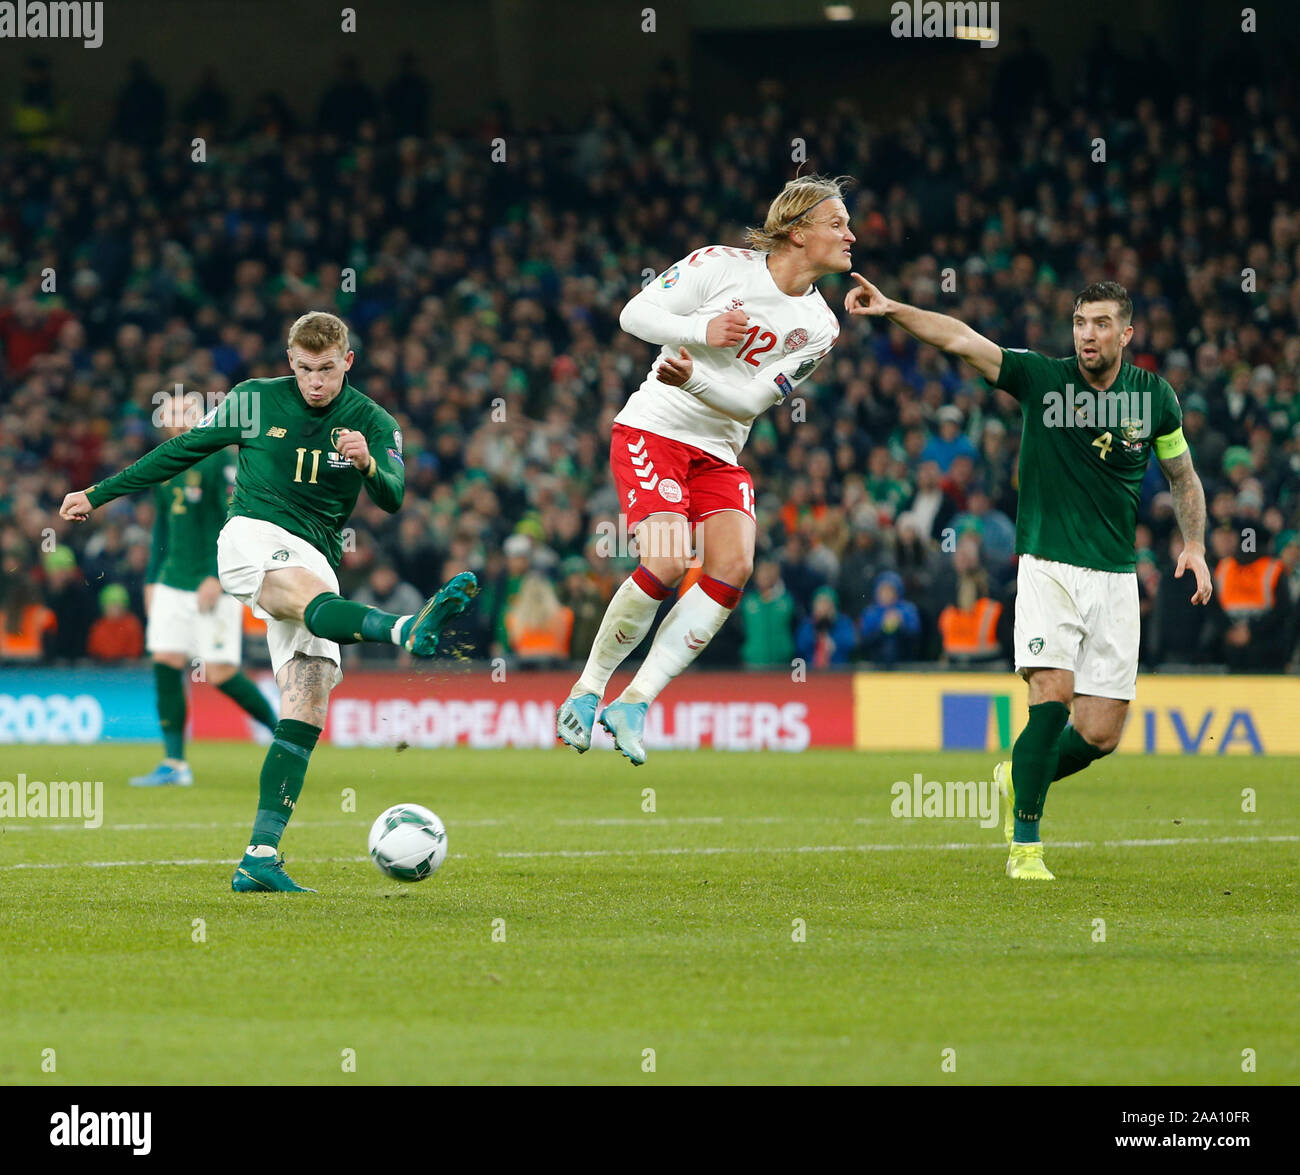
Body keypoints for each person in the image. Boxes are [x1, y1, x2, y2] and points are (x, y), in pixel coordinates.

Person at [61, 312, 476, 893]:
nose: (314, 382)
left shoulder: (373, 422)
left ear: (347, 362)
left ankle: (259, 855)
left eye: (326, 370)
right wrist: (96, 494)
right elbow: (182, 449)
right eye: (305, 369)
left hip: (316, 556)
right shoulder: (253, 400)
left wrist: (367, 464)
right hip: (250, 535)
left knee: (307, 700)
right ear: (290, 362)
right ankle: (405, 629)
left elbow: (394, 496)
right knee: (303, 595)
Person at [847, 275, 1212, 880]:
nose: (1087, 335)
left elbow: (1183, 477)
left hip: (1116, 577)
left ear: (1127, 332)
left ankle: (1018, 774)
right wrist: (890, 309)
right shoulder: (1044, 379)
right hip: (1047, 565)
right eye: (1079, 322)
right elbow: (963, 341)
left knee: (1099, 733)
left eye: (1100, 324)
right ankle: (1026, 848)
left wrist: (1194, 544)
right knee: (1051, 697)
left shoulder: (1155, 398)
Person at [557, 174, 854, 764]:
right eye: (838, 223)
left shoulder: (821, 328)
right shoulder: (720, 265)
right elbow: (634, 315)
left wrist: (693, 371)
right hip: (654, 431)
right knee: (666, 562)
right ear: (798, 232)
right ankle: (588, 690)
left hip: (718, 452)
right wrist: (700, 331)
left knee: (734, 565)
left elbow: (748, 403)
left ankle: (634, 702)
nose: (852, 234)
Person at [129, 390, 279, 788]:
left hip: (212, 584)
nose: (178, 420)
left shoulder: (220, 459)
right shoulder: (165, 464)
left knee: (220, 673)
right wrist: (150, 580)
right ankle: (175, 763)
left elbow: (237, 516)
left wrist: (217, 574)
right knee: (166, 661)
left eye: (186, 413)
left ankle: (283, 736)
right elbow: (161, 528)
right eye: (172, 413)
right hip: (171, 582)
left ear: (203, 418)